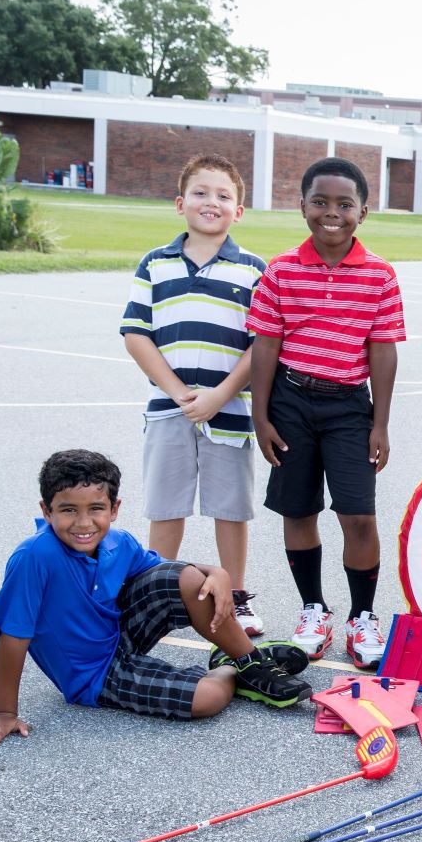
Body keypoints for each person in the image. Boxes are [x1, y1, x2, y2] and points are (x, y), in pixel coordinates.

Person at [0, 450, 313, 748]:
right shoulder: (35, 557)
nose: (83, 522)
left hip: (120, 634)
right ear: (47, 510)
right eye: (68, 510)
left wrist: (218, 573)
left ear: (114, 508)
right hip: (93, 675)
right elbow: (14, 636)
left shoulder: (119, 541)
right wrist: (4, 713)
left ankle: (250, 661)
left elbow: (175, 576)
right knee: (210, 699)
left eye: (95, 508)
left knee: (192, 579)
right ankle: (230, 666)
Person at [248, 157, 405, 670]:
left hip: (347, 406)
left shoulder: (380, 275)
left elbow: (383, 351)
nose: (331, 212)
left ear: (363, 211)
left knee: (358, 514)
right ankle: (313, 610)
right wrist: (261, 416)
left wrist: (380, 422)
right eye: (320, 202)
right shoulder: (280, 271)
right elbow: (266, 346)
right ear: (302, 207)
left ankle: (363, 615)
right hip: (290, 402)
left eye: (344, 204)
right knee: (299, 510)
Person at [120, 155, 268, 638]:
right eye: (202, 193)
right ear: (181, 203)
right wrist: (183, 394)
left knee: (230, 509)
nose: (212, 202)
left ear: (239, 210)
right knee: (166, 507)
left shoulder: (252, 270)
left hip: (229, 412)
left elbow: (260, 345)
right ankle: (157, 596)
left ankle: (239, 598)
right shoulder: (155, 263)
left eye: (224, 195)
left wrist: (220, 395)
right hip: (170, 409)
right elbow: (137, 334)